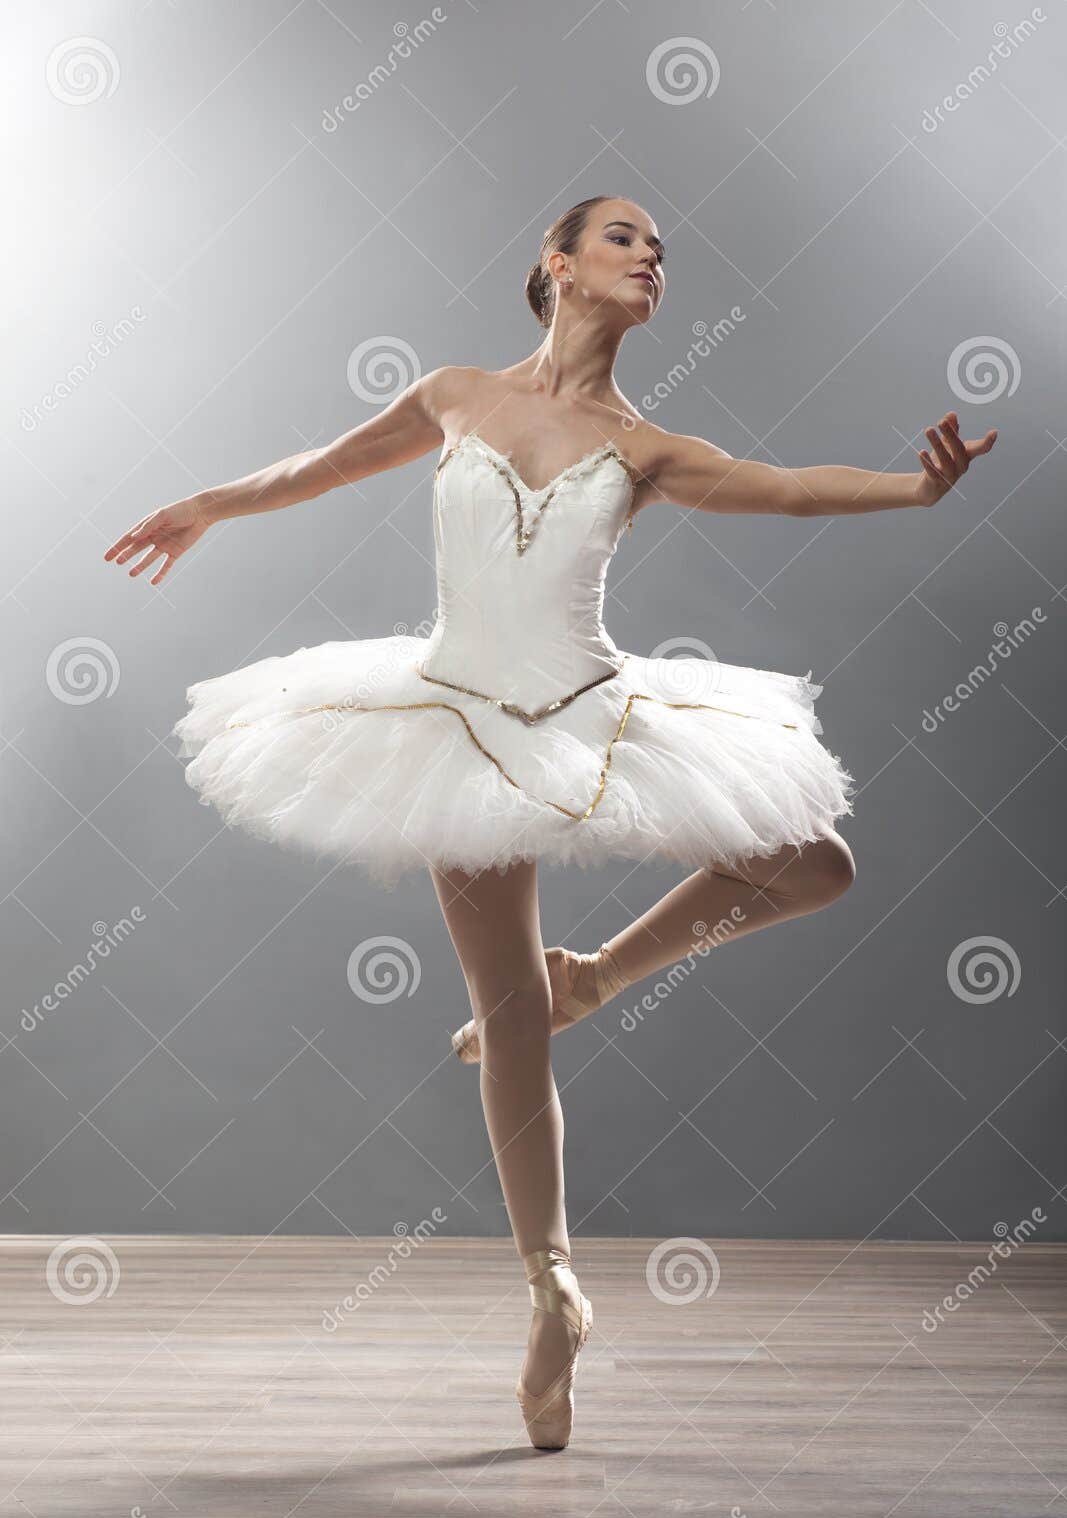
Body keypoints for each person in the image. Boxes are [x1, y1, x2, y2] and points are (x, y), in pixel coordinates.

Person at [103, 195, 998, 1451]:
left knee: (814, 863)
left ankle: (603, 974)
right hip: (455, 716)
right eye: (626, 236)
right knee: (505, 1007)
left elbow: (791, 488)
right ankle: (552, 1289)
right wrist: (205, 502)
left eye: (661, 249)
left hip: (587, 706)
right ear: (557, 262)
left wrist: (914, 489)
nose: (652, 256)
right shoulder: (455, 393)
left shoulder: (645, 446)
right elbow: (316, 466)